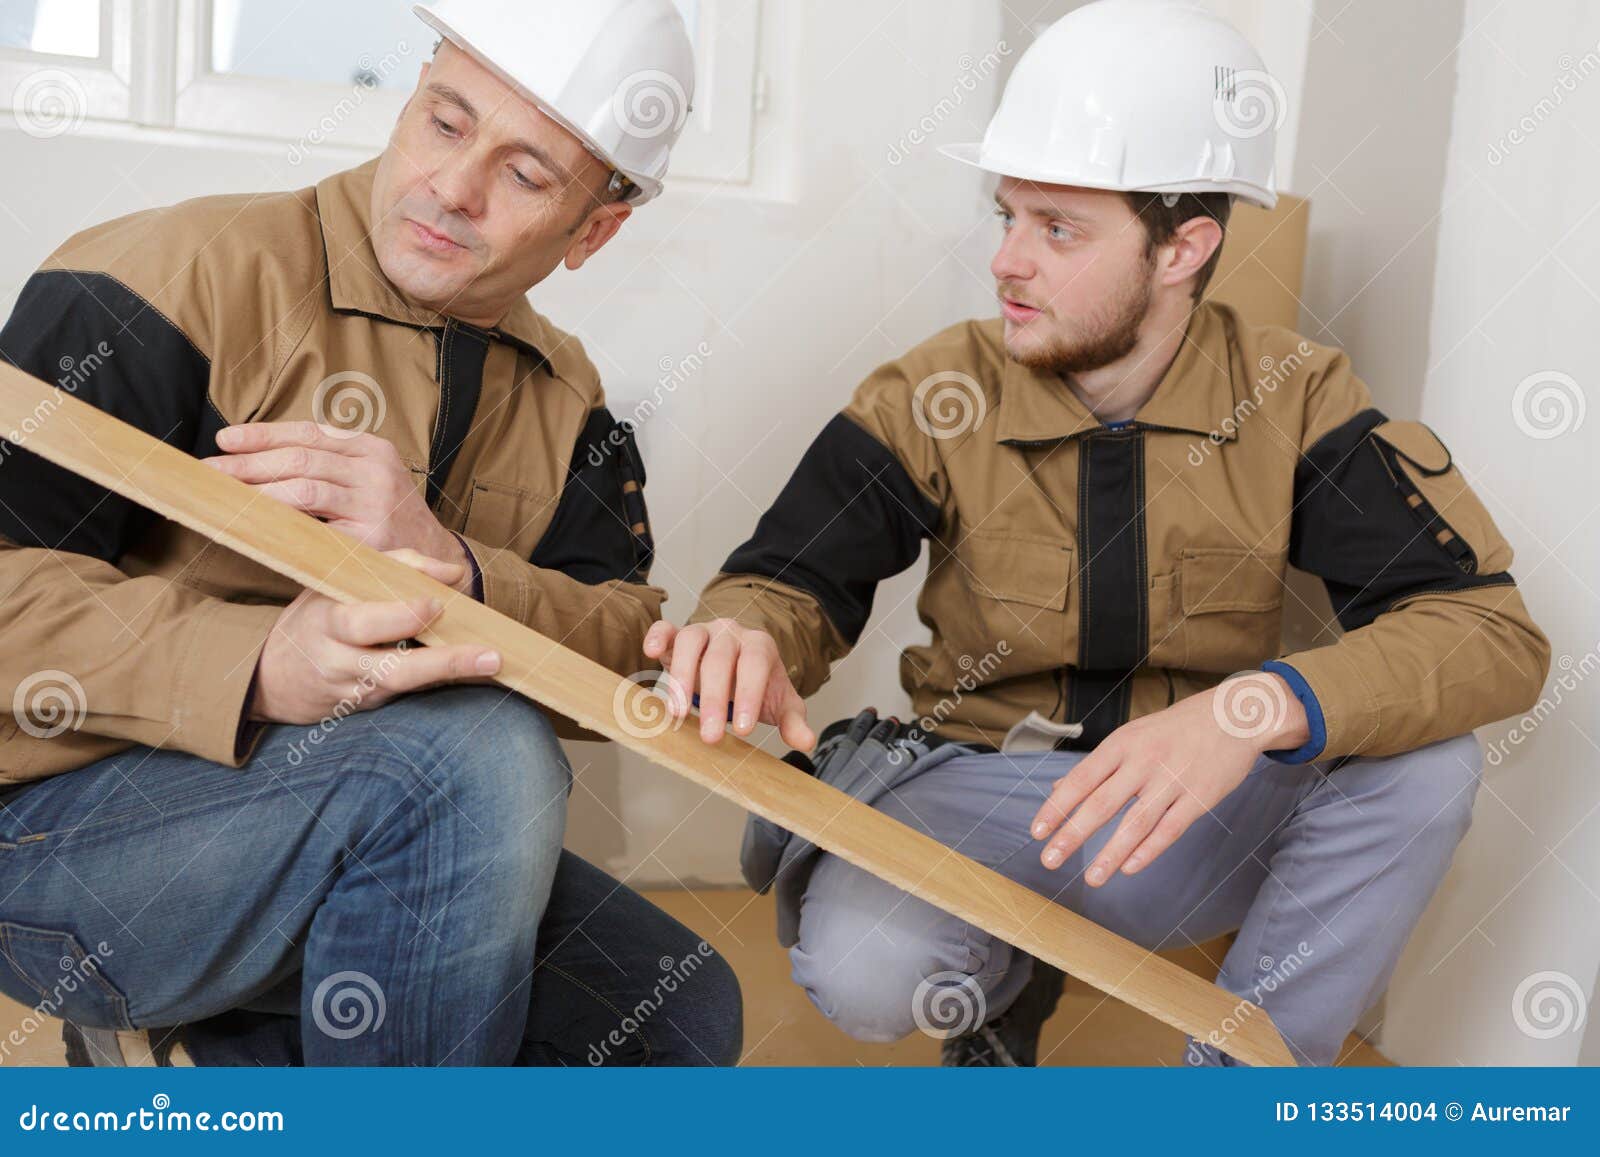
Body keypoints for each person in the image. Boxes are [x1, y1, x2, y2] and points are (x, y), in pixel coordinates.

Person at [644, 0, 1550, 1067]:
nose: (1006, 261)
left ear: (1182, 249)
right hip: (978, 793)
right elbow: (788, 579)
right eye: (1008, 215)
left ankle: (1239, 1087)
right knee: (868, 969)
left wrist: (1253, 708)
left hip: (1186, 811)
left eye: (1058, 228)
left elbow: (1488, 633)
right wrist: (744, 631)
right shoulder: (934, 392)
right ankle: (997, 986)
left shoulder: (1296, 397)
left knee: (1427, 765)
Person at [0, 0, 742, 1067]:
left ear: (593, 231)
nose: (453, 188)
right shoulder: (165, 276)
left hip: (384, 822)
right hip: (51, 837)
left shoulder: (566, 398)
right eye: (445, 122)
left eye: (526, 175)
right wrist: (260, 664)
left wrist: (461, 570)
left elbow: (621, 649)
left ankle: (251, 1062)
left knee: (678, 1009)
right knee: (469, 758)